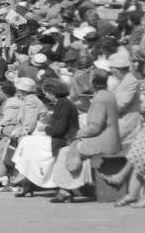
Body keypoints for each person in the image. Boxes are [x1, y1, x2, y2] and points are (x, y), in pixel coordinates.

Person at [48, 68, 121, 203]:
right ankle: (69, 188)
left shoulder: (100, 98)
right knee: (70, 148)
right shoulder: (108, 95)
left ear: (93, 82)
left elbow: (94, 127)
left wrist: (78, 134)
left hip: (103, 141)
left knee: (65, 151)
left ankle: (65, 190)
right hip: (110, 139)